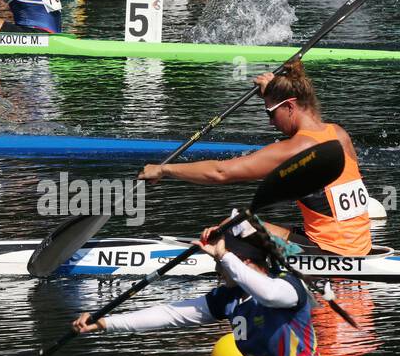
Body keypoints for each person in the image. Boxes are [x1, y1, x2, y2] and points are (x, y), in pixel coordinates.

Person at [72, 225, 328, 356]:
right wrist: (105, 323)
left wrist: (225, 256)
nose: (218, 271)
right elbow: (170, 314)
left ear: (245, 263)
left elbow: (270, 295)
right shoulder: (229, 299)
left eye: (220, 266)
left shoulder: (289, 287)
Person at [138, 60, 372, 257]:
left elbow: (221, 172)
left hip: (332, 252)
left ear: (290, 107)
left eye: (270, 113)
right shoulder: (338, 133)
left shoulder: (296, 148)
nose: (271, 122)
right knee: (241, 225)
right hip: (359, 246)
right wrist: (273, 92)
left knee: (232, 228)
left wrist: (164, 170)